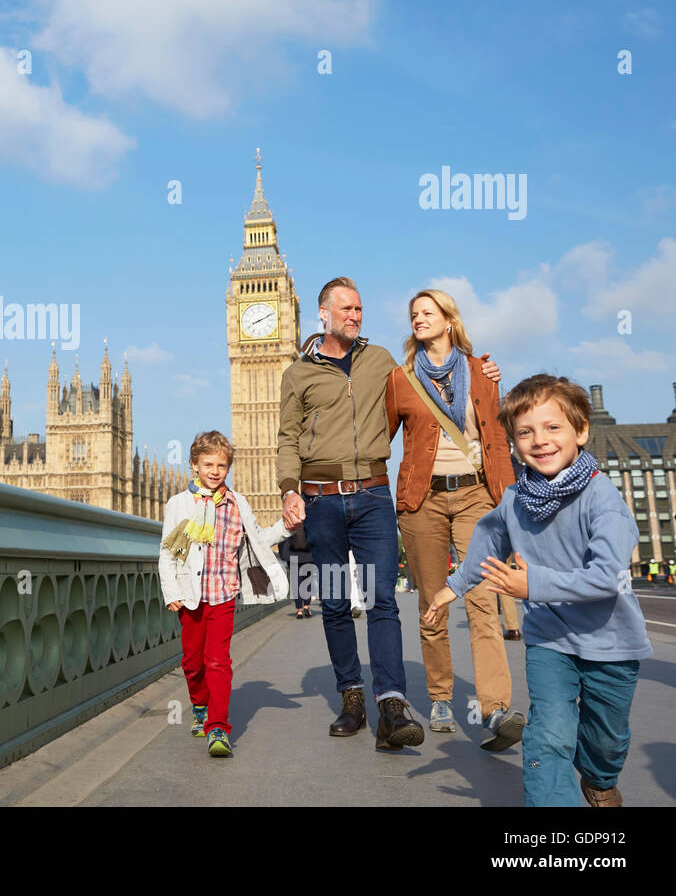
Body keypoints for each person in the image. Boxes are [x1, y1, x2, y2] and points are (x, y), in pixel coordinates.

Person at [278, 277, 502, 750]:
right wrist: (288, 490)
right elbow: (288, 438)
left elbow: (435, 379)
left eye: (359, 308)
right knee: (335, 602)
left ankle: (392, 704)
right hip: (321, 499)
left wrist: (482, 369)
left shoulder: (382, 362)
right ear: (323, 314)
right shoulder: (298, 374)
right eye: (346, 308)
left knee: (382, 599)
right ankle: (351, 696)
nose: (354, 315)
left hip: (374, 495)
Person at [425, 375, 652, 807]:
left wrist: (534, 585)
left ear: (580, 431)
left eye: (552, 427)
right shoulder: (515, 499)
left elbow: (607, 576)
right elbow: (488, 542)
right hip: (550, 638)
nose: (540, 440)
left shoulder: (602, 498)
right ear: (513, 443)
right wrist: (452, 587)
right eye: (526, 432)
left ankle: (600, 780)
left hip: (612, 641)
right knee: (548, 734)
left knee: (605, 740)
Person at [385, 289, 524, 749]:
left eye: (427, 312)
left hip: (475, 496)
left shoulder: (482, 372)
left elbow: (497, 440)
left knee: (483, 599)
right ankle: (441, 696)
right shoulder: (401, 379)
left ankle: (494, 708)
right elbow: (380, 439)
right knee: (433, 601)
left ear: (449, 320)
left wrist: (508, 500)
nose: (418, 319)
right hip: (423, 500)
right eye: (414, 314)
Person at [159, 430, 290, 758]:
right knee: (193, 662)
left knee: (218, 661)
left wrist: (286, 526)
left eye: (221, 465)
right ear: (194, 465)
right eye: (208, 464)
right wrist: (171, 590)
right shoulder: (180, 504)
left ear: (228, 468)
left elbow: (258, 538)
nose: (215, 471)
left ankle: (218, 726)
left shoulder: (237, 503)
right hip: (191, 596)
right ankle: (199, 705)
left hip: (224, 595)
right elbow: (168, 552)